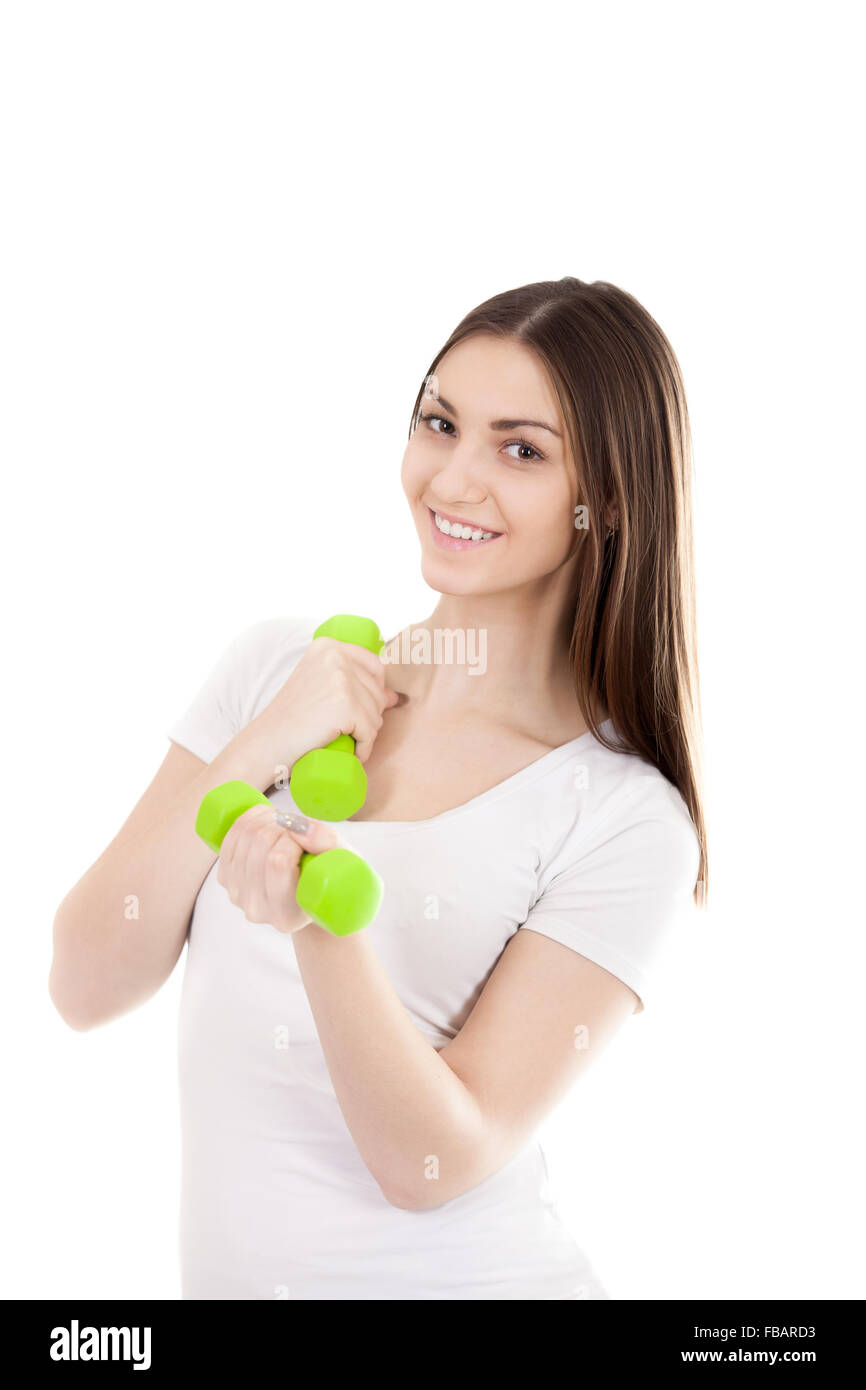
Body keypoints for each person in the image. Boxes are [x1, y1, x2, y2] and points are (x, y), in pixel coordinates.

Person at [50, 276, 708, 1300]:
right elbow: (84, 987)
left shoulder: (624, 818)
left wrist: (320, 923)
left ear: (609, 501)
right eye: (439, 423)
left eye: (520, 450)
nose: (452, 479)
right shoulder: (279, 671)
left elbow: (430, 1165)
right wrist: (258, 745)